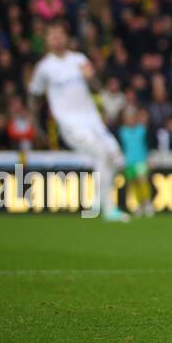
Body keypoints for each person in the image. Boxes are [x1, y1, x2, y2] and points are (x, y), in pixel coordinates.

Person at [28, 21, 129, 221]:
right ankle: (108, 209)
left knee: (118, 160)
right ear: (47, 41)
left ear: (66, 37)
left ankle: (97, 200)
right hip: (70, 124)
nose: (56, 39)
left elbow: (97, 88)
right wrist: (37, 127)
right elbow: (34, 97)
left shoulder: (79, 59)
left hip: (93, 121)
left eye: (59, 34)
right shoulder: (44, 68)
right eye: (52, 35)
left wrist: (91, 77)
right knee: (101, 155)